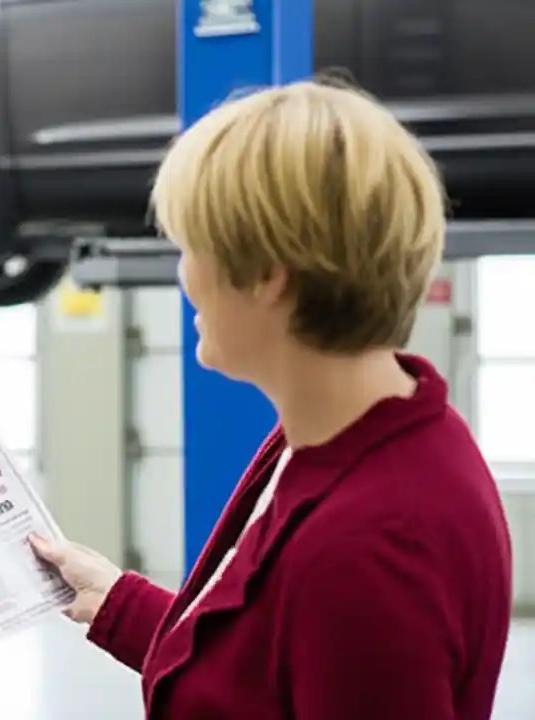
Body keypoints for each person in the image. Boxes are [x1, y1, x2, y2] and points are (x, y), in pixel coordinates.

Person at [31, 79, 513, 719]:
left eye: (193, 248)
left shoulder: (370, 549)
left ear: (268, 277)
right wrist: (117, 601)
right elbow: (266, 668)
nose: (182, 275)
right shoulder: (344, 437)